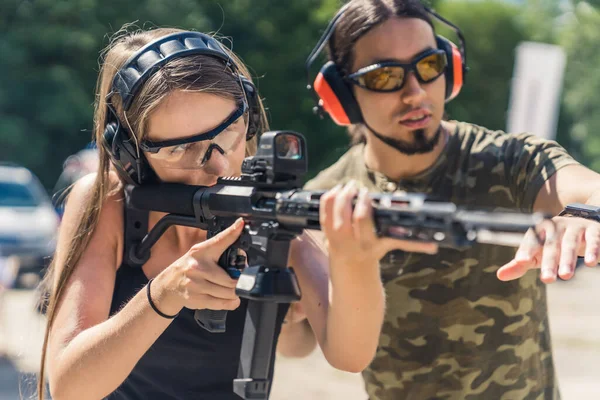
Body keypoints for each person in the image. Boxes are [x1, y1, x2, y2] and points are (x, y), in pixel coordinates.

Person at [37, 26, 438, 400]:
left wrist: (357, 262)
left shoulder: (265, 206)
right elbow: (70, 385)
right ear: (131, 155)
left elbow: (349, 355)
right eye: (179, 150)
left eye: (228, 134)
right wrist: (164, 294)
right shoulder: (108, 200)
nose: (215, 166)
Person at [284, 0, 600, 399]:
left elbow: (590, 188)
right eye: (385, 77)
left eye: (429, 66)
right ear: (341, 96)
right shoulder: (325, 203)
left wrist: (586, 214)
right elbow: (302, 344)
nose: (415, 92)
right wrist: (282, 314)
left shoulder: (509, 160)